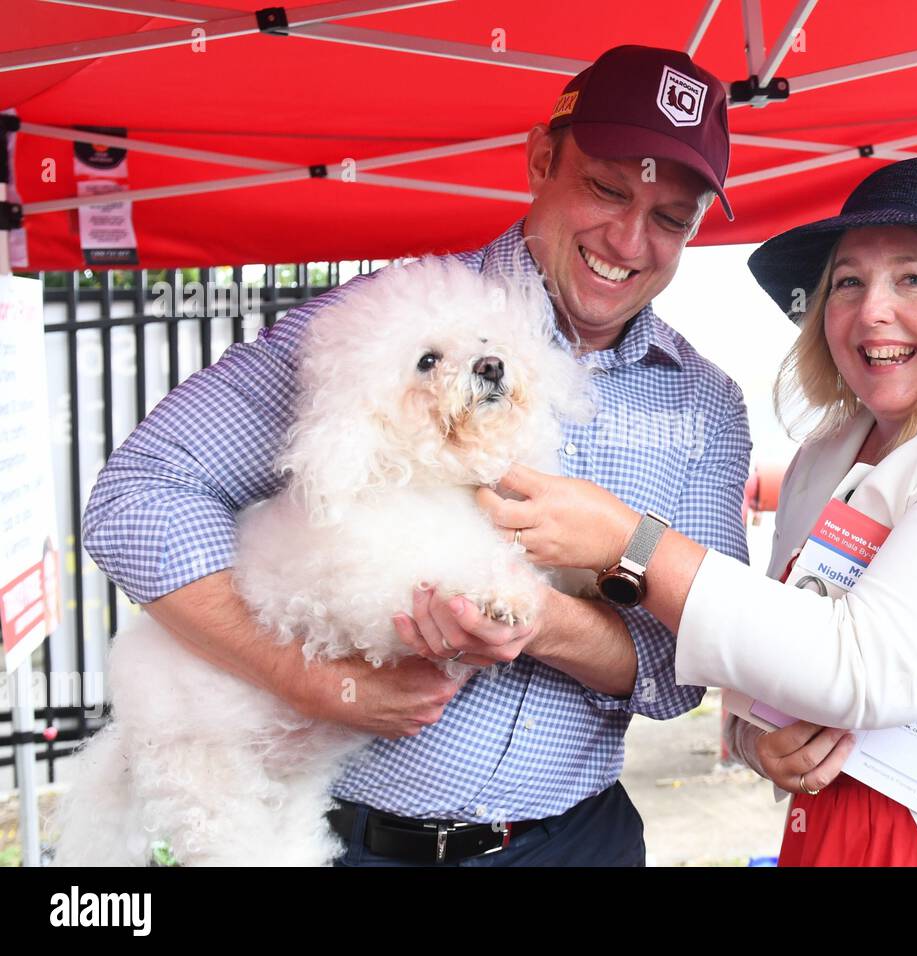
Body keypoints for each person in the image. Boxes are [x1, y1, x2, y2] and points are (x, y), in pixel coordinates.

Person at [80, 45, 752, 867]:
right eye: (607, 189)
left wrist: (555, 611)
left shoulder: (705, 405)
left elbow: (679, 673)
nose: (629, 238)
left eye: (672, 218)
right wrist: (311, 680)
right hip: (348, 840)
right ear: (542, 158)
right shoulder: (378, 329)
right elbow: (136, 496)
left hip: (580, 842)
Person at [469, 158, 917, 867]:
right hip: (838, 830)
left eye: (914, 280)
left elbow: (868, 667)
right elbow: (761, 665)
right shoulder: (824, 455)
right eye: (848, 283)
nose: (872, 311)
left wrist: (632, 543)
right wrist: (757, 742)